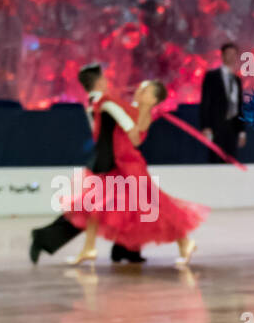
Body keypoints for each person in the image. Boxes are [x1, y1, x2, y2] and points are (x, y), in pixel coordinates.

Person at [65, 73, 207, 266]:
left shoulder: (143, 114)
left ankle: (185, 242)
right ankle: (89, 248)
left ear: (153, 100)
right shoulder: (134, 109)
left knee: (158, 208)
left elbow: (135, 139)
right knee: (97, 204)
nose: (139, 91)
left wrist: (111, 105)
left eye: (145, 90)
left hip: (130, 167)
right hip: (120, 164)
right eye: (141, 88)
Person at [31, 63, 144, 265]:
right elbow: (129, 126)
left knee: (117, 207)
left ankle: (125, 248)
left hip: (107, 159)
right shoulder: (106, 103)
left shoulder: (93, 102)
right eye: (104, 79)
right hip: (110, 162)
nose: (107, 82)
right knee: (94, 209)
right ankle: (45, 237)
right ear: (100, 81)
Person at [199, 42, 247, 163]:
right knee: (215, 159)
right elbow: (205, 102)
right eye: (228, 54)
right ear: (222, 55)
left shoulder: (237, 80)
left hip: (232, 127)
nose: (231, 57)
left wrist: (241, 131)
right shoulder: (211, 76)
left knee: (230, 160)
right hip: (216, 126)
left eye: (234, 54)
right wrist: (206, 126)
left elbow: (239, 106)